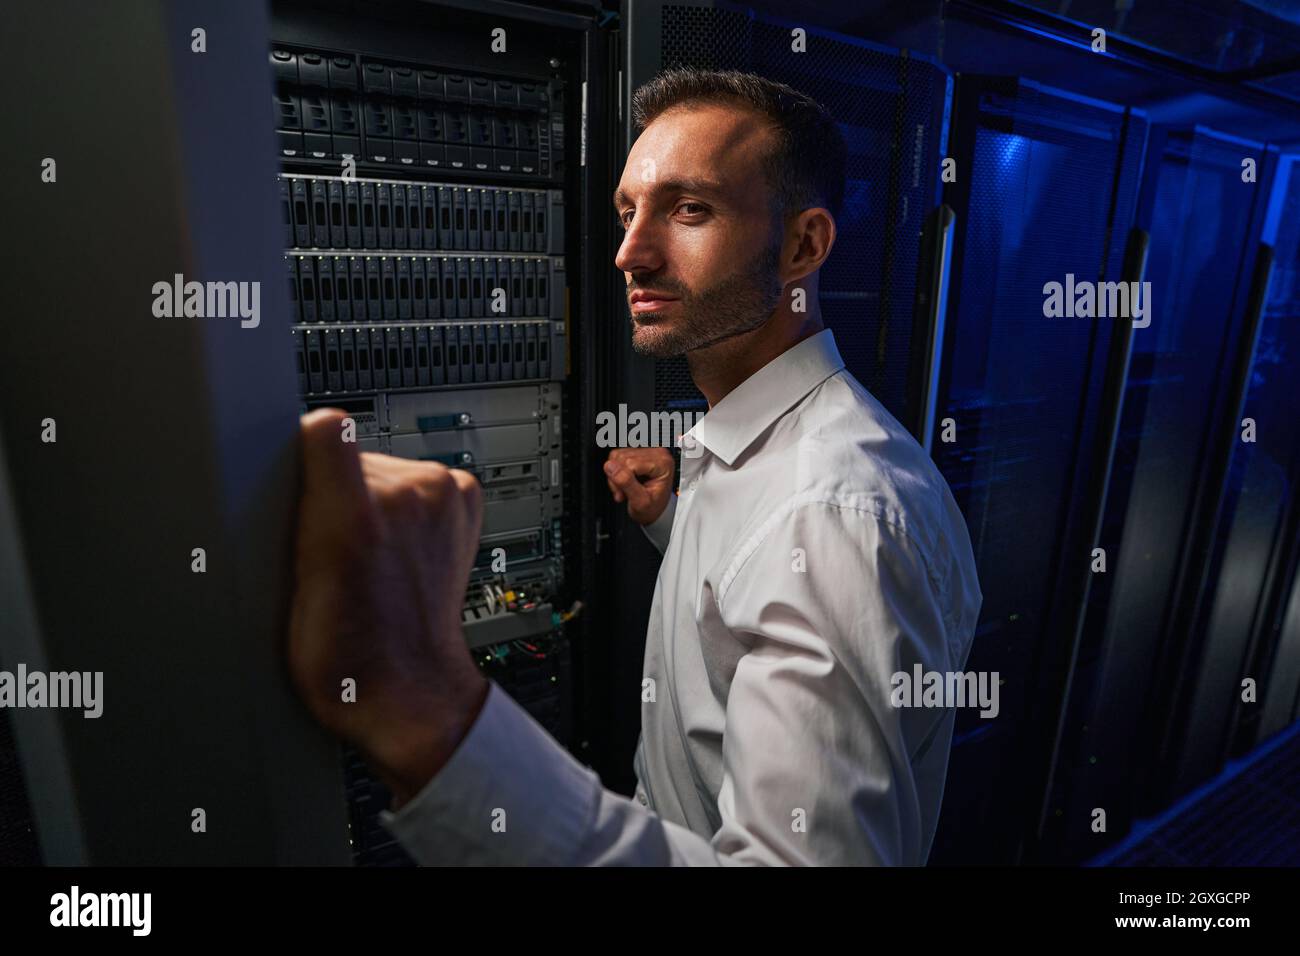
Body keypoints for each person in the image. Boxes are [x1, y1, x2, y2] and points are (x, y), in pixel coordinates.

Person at [287, 68, 982, 865]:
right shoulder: (769, 462)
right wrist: (674, 524)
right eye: (628, 212)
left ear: (802, 246)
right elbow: (766, 597)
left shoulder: (831, 515)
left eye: (690, 210)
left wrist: (432, 717)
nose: (630, 254)